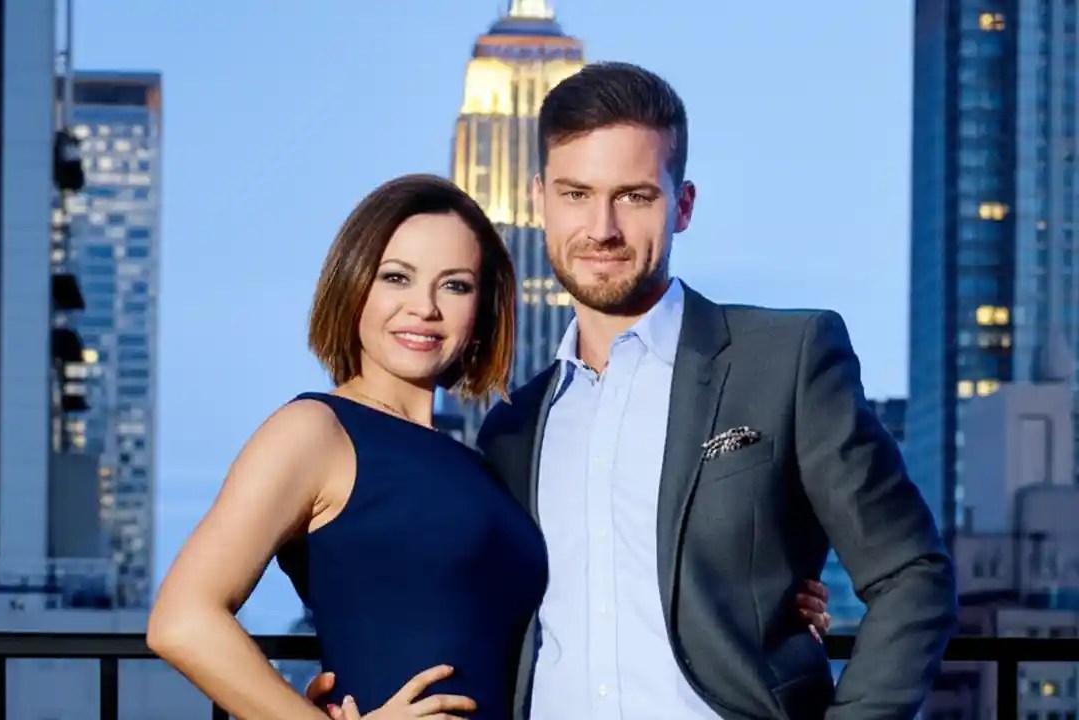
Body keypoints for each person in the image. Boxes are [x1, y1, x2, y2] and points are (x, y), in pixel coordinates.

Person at [148, 172, 834, 719]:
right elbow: (182, 619)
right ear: (353, 284)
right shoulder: (314, 431)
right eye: (396, 277)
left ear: (481, 311)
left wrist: (765, 597)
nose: (424, 307)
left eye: (455, 285)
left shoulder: (486, 458)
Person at [474, 62, 958, 719]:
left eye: (636, 196)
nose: (603, 227)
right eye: (576, 193)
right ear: (539, 201)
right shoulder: (511, 429)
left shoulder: (785, 360)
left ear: (684, 204)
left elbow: (911, 574)